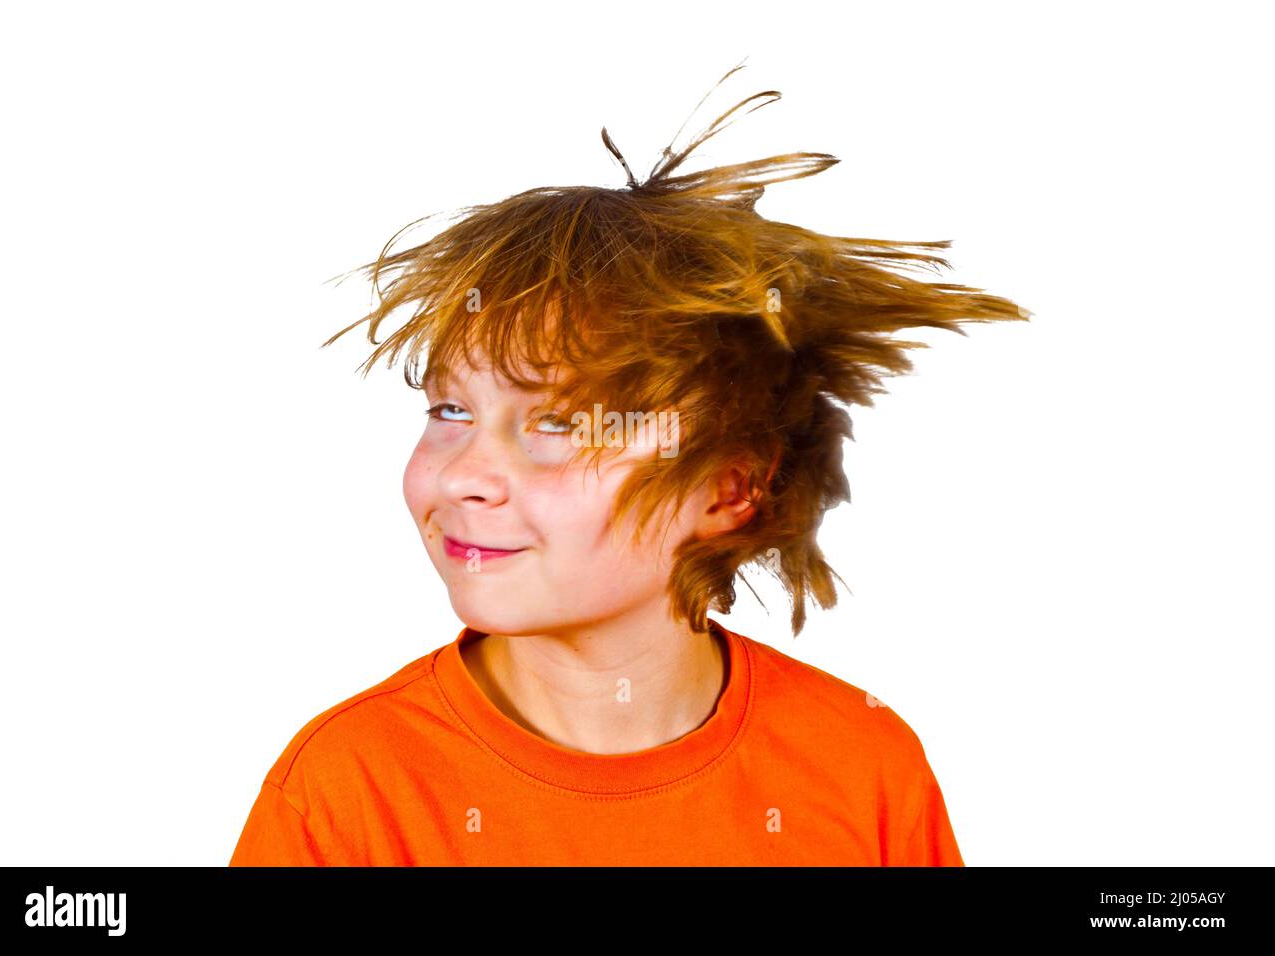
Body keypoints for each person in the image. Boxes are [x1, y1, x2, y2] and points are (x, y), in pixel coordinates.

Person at [229, 65, 1027, 867]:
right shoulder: (344, 793)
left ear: (728, 489)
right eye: (450, 411)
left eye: (558, 424)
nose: (467, 474)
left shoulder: (862, 764)